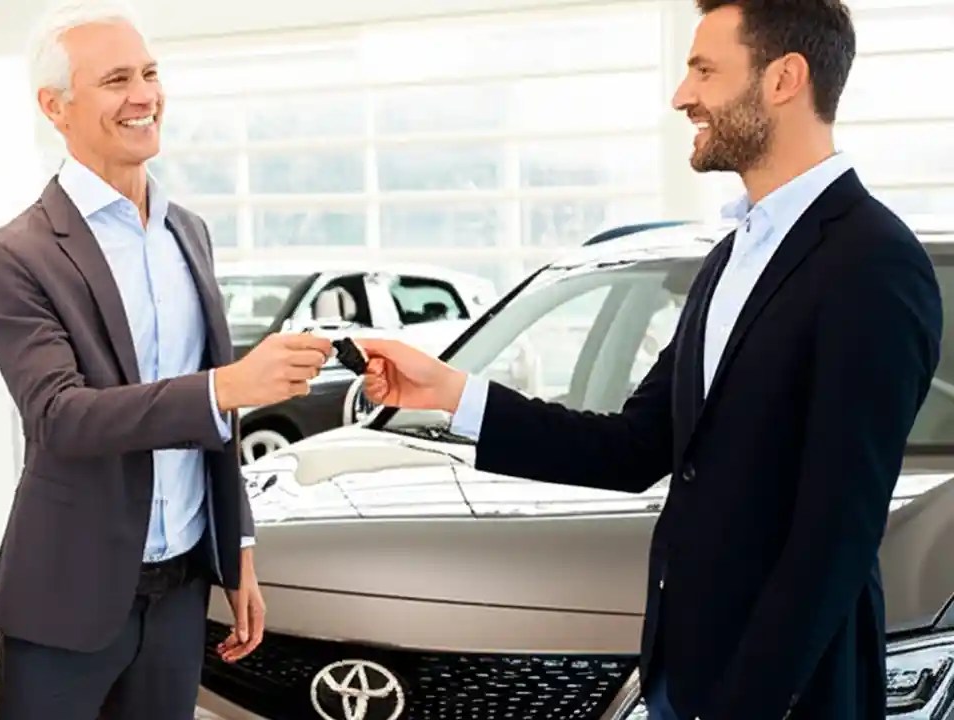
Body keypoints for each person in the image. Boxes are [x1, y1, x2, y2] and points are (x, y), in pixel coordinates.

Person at [357, 1, 942, 718]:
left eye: (704, 70)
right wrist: (454, 393)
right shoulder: (731, 258)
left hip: (782, 698)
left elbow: (833, 538)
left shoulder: (873, 263)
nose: (681, 95)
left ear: (785, 78)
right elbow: (636, 447)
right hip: (682, 680)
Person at [0, 2, 332, 718]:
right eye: (115, 80)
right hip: (67, 595)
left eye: (149, 73)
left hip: (182, 588)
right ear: (55, 106)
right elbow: (58, 417)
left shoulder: (187, 233)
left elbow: (213, 430)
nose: (143, 96)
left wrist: (241, 551)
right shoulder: (15, 255)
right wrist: (225, 387)